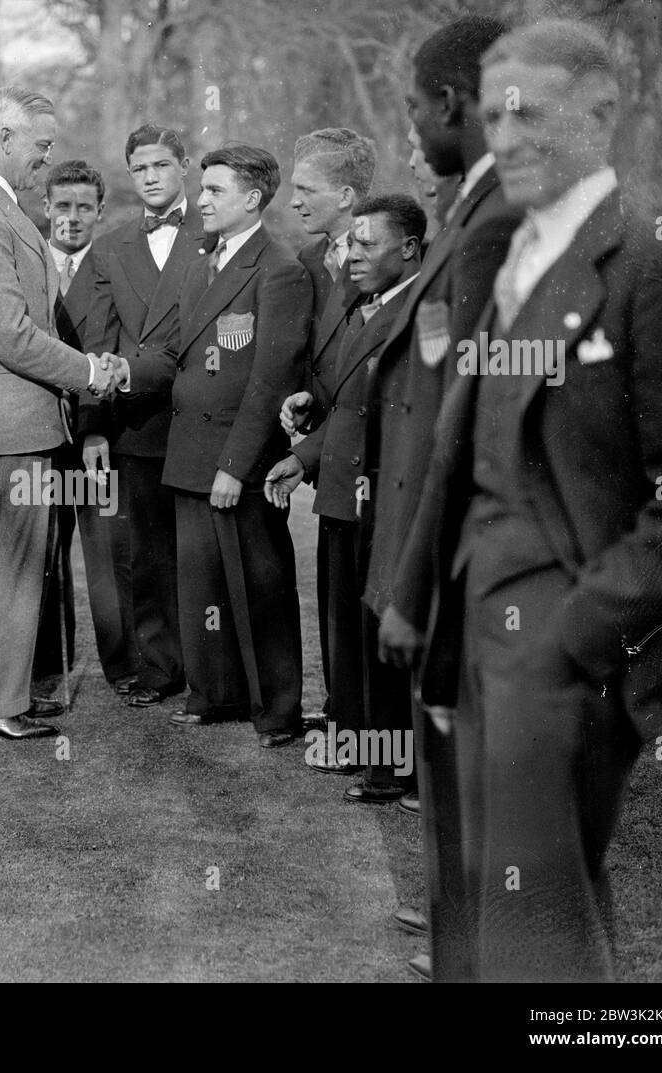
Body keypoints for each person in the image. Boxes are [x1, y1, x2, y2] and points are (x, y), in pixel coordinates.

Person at [385, 17, 662, 982]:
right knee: (503, 907)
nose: (510, 135)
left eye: (533, 112)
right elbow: (461, 446)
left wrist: (573, 636)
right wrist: (414, 595)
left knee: (537, 930)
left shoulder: (661, 261)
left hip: (567, 653)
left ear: (602, 113)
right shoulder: (513, 254)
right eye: (494, 115)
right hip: (470, 626)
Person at [359, 12, 517, 981]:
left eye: (417, 108)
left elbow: (468, 421)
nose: (413, 129)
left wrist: (413, 583)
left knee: (481, 796)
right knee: (457, 797)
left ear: (453, 102)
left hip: (470, 561)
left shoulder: (495, 222)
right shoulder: (473, 207)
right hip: (444, 547)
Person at [0, 85, 123, 742]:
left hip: (15, 420)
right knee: (4, 566)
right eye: (40, 146)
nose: (45, 160)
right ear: (4, 137)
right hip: (4, 423)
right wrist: (92, 370)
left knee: (13, 566)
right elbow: (11, 333)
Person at [129, 144, 311, 748]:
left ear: (252, 199)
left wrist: (235, 466)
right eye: (202, 189)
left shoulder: (279, 268)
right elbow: (170, 351)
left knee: (258, 586)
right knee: (202, 585)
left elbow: (272, 378)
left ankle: (278, 711)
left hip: (239, 456)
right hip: (189, 451)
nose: (200, 201)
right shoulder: (202, 259)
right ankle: (215, 694)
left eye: (214, 191)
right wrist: (110, 373)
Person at [268, 194, 424, 802]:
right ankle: (362, 743)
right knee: (348, 633)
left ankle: (393, 768)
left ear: (408, 249)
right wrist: (302, 453)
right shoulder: (365, 305)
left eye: (367, 244)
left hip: (385, 499)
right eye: (351, 243)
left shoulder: (422, 312)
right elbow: (351, 406)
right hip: (341, 491)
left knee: (380, 637)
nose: (352, 255)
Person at [81, 125, 197, 709]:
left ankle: (216, 671)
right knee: (147, 555)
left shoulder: (216, 234)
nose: (150, 177)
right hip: (137, 423)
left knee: (205, 552)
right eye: (139, 169)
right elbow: (98, 339)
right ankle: (159, 665)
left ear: (185, 167)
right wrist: (96, 425)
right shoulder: (112, 246)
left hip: (200, 418)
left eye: (160, 165)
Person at [285, 127, 376, 743]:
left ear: (347, 195)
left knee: (369, 598)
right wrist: (307, 400)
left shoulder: (393, 256)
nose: (293, 202)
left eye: (305, 189)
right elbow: (329, 364)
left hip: (374, 454)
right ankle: (345, 712)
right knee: (336, 594)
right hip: (336, 451)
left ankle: (369, 726)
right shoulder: (310, 262)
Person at [34, 159, 108, 681]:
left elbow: (117, 350)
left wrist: (95, 425)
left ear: (99, 211)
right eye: (63, 206)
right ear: (46, 209)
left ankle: (125, 665)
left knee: (107, 553)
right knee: (40, 553)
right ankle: (43, 667)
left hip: (97, 437)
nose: (73, 217)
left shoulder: (114, 266)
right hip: (36, 432)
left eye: (85, 207)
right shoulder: (26, 262)